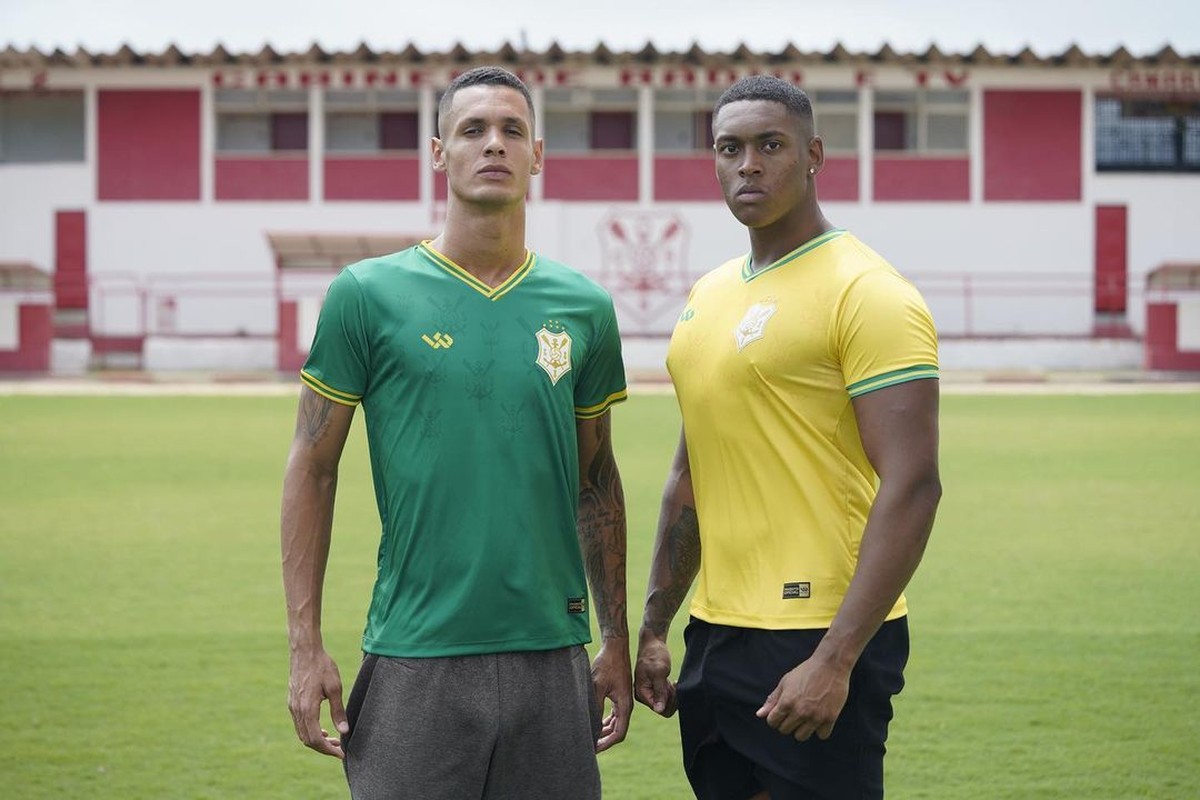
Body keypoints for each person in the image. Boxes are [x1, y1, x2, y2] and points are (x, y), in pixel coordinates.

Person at [281, 66, 632, 800]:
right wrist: (305, 645)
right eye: (472, 129)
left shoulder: (585, 308)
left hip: (552, 654)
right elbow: (312, 468)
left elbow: (596, 479)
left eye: (511, 130)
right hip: (416, 654)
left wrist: (616, 639)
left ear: (538, 154)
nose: (493, 144)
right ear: (438, 152)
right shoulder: (366, 295)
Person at [633, 74, 943, 800]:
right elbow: (690, 475)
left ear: (813, 155)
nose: (749, 164)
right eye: (730, 147)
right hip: (716, 633)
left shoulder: (868, 292)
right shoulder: (708, 295)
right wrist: (655, 625)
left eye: (770, 145)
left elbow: (914, 483)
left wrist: (835, 660)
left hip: (819, 632)